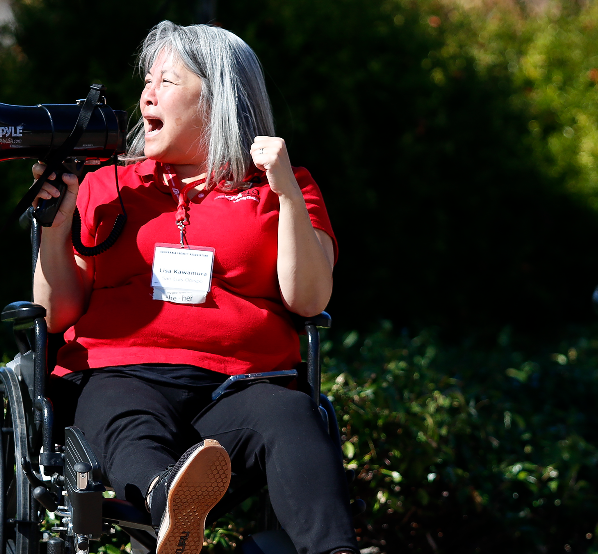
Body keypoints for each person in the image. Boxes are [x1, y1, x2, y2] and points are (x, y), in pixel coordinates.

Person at [31, 21, 358, 554]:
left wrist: (288, 198)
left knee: (290, 414)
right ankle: (171, 510)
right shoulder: (109, 185)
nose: (146, 94)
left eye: (167, 81)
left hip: (240, 387)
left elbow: (310, 300)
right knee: (118, 410)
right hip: (123, 371)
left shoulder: (282, 186)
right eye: (147, 81)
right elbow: (56, 312)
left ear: (218, 97)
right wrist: (55, 229)